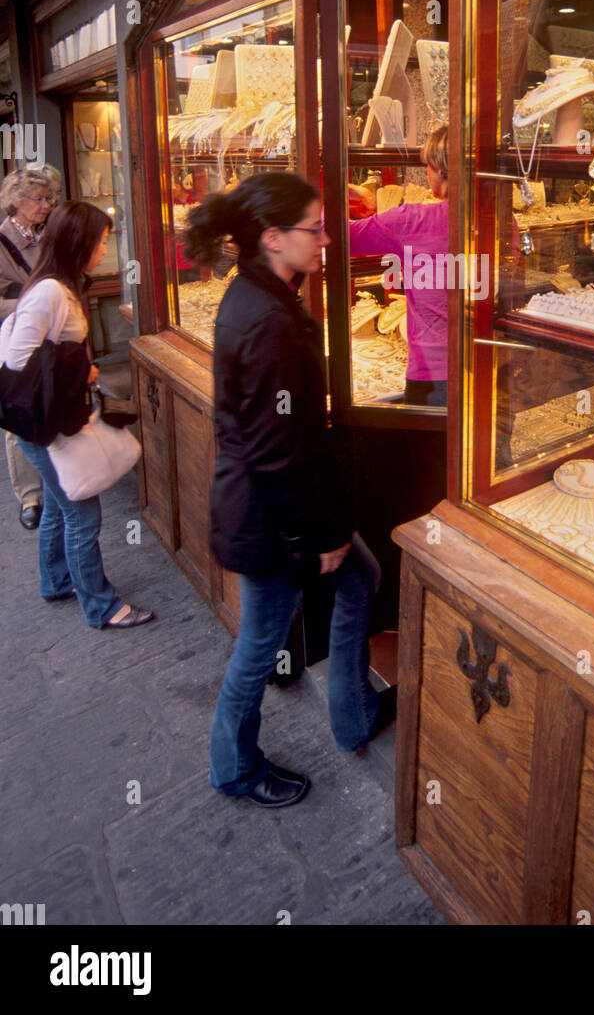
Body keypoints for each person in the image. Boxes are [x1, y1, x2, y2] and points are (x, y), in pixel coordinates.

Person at [184, 173, 395, 809]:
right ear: (274, 238)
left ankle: (352, 715)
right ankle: (234, 766)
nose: (327, 236)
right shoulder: (267, 320)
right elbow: (278, 449)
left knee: (360, 579)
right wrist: (319, 535)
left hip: (270, 507)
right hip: (271, 520)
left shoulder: (259, 292)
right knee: (260, 646)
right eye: (314, 227)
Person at [1, 201, 154, 628]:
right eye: (100, 242)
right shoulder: (51, 291)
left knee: (57, 504)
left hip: (44, 422)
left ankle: (55, 581)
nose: (104, 251)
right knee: (82, 514)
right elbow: (16, 359)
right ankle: (102, 606)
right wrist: (80, 370)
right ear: (77, 244)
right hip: (44, 424)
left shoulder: (58, 286)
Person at [348, 126, 449, 406]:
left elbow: (335, 234)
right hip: (491, 370)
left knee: (431, 450)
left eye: (428, 165)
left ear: (440, 170)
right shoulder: (501, 219)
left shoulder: (410, 220)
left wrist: (345, 194)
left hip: (433, 378)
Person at [0, 165, 62, 529]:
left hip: (51, 339)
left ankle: (56, 477)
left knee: (49, 403)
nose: (45, 205)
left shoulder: (48, 233)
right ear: (17, 202)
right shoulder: (2, 242)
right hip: (16, 339)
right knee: (16, 416)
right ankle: (29, 496)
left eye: (48, 198)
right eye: (38, 199)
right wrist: (29, 305)